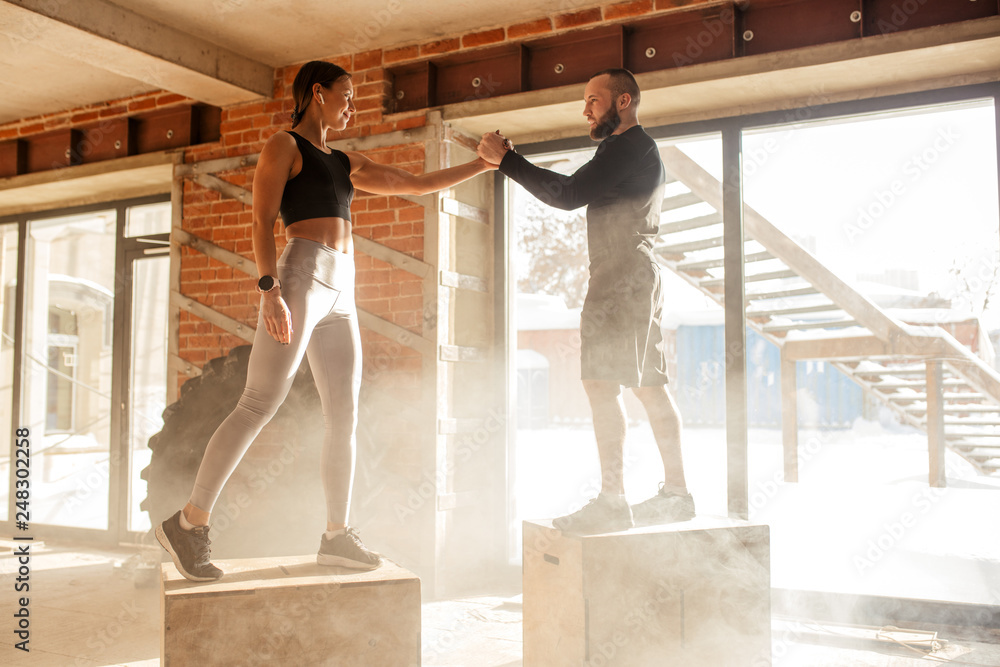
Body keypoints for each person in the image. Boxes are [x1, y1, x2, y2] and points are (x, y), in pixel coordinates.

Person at [157, 60, 498, 582]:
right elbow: (260, 220)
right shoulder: (284, 146)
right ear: (318, 92)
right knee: (258, 403)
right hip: (300, 276)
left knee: (344, 416)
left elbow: (416, 183)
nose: (352, 106)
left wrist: (482, 164)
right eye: (347, 95)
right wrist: (270, 290)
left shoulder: (345, 161)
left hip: (342, 289)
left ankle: (337, 536)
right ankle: (189, 522)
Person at [479, 68, 694, 535]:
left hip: (621, 279)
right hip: (633, 276)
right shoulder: (630, 149)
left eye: (593, 100)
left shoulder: (628, 146)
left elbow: (569, 194)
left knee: (603, 385)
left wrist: (507, 161)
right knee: (648, 386)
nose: (585, 110)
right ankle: (677, 496)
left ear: (623, 101)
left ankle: (615, 502)